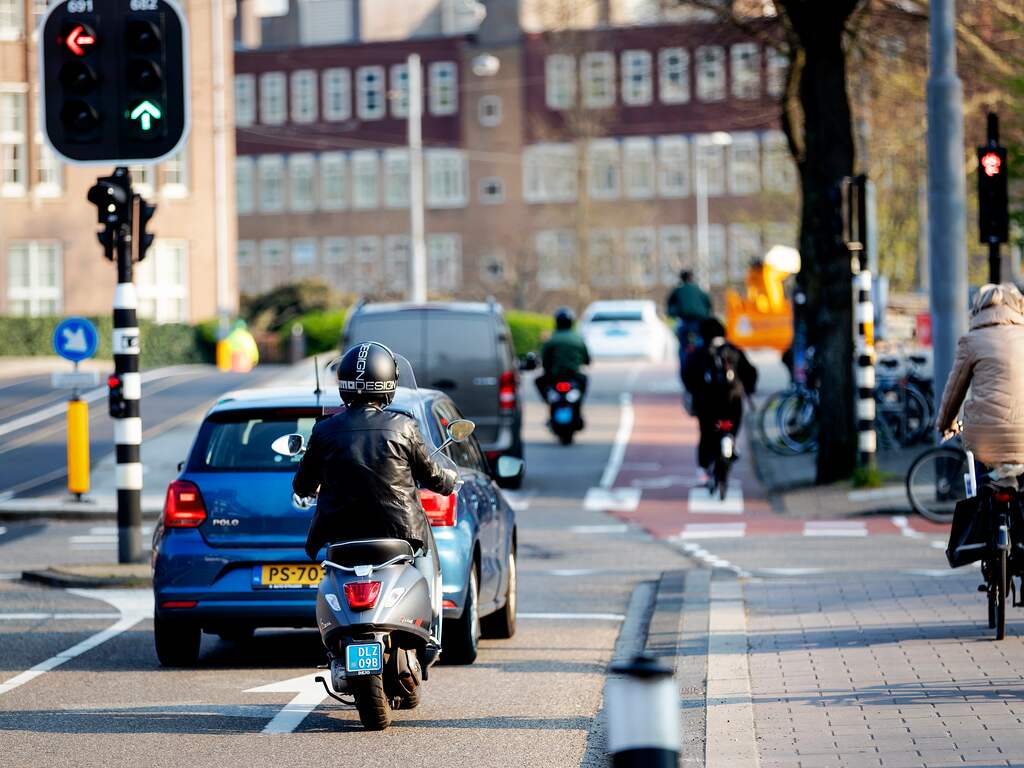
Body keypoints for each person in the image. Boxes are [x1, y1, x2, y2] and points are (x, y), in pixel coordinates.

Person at [293, 341, 458, 644]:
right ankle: (428, 635)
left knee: (330, 577)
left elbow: (302, 484)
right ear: (388, 382)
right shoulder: (403, 427)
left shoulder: (324, 431)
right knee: (424, 567)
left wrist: (314, 487)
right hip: (399, 533)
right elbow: (432, 476)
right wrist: (448, 480)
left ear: (344, 383)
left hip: (341, 536)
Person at [935, 283, 1024, 469]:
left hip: (985, 442)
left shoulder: (972, 340)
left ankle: (984, 494)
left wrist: (946, 424)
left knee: (983, 486)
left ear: (978, 309)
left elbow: (954, 391)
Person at [682, 317, 758, 476]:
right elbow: (750, 372)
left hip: (706, 402)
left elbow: (687, 375)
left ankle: (703, 470)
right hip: (733, 400)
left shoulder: (698, 353)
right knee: (733, 425)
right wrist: (749, 390)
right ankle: (731, 442)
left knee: (706, 433)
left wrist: (694, 392)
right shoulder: (734, 350)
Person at [535, 306, 591, 401]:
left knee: (538, 381)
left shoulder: (551, 339)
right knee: (584, 380)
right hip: (574, 376)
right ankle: (579, 403)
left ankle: (548, 401)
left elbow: (544, 360)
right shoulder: (578, 339)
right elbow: (587, 360)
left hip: (553, 377)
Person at [666, 270, 712, 376]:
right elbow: (708, 304)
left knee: (683, 346)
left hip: (685, 321)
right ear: (692, 278)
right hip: (700, 322)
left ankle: (684, 371)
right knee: (701, 344)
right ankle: (703, 368)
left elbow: (670, 306)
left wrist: (674, 314)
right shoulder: (699, 289)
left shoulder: (678, 290)